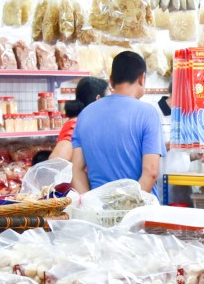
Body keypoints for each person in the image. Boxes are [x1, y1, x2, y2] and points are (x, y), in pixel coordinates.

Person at [71, 51, 165, 193]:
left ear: (111, 80)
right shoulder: (147, 113)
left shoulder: (85, 113)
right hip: (140, 206)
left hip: (97, 205)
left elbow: (76, 170)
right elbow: (151, 172)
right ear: (142, 78)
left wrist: (89, 202)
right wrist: (127, 205)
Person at [49, 76, 109, 162]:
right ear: (98, 99)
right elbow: (55, 161)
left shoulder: (86, 122)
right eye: (108, 99)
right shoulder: (76, 125)